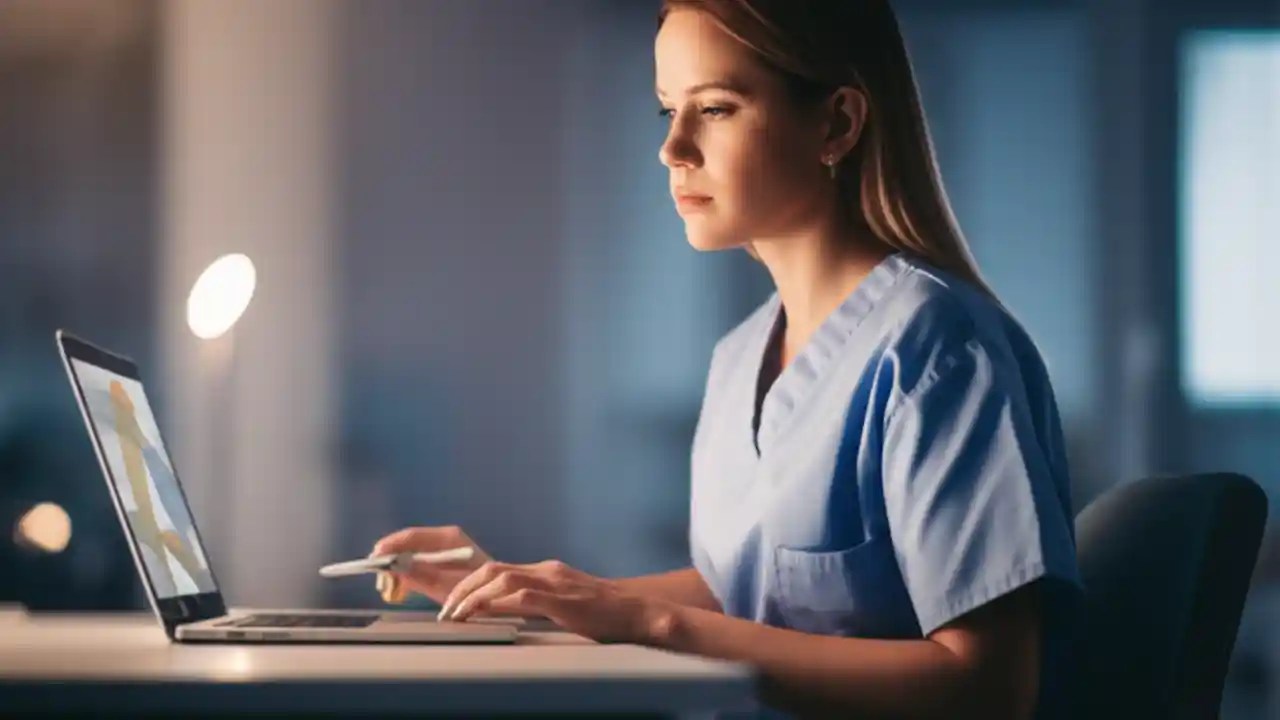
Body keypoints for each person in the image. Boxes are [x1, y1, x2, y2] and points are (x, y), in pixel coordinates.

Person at [372, 1, 1081, 717]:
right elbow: (744, 592)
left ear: (836, 123)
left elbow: (990, 687)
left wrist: (657, 626)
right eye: (665, 111)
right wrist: (524, 592)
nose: (673, 148)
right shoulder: (740, 355)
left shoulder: (937, 347)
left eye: (714, 108)